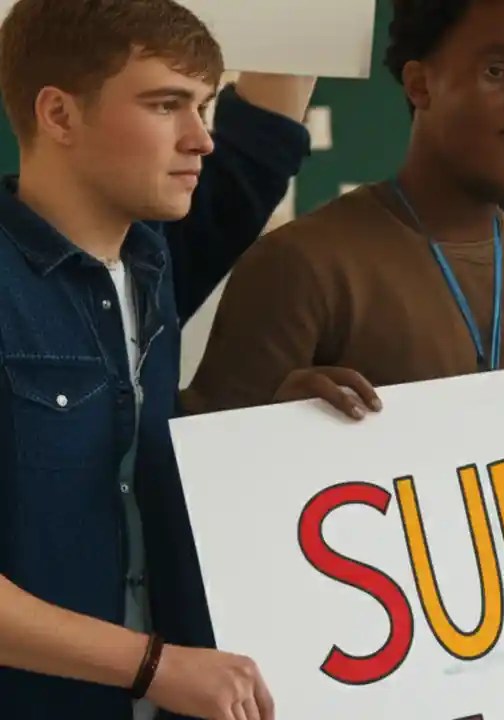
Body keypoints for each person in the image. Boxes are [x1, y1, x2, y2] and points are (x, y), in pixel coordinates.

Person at [0, 0, 316, 718]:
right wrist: (151, 666)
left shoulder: (156, 261)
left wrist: (286, 427)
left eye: (204, 105)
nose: (202, 138)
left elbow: (272, 119)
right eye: (166, 104)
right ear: (58, 115)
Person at [182, 0, 504, 418]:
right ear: (420, 84)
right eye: (497, 71)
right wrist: (273, 432)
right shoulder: (298, 268)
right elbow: (203, 477)